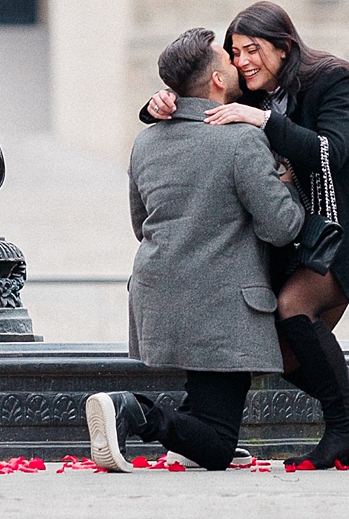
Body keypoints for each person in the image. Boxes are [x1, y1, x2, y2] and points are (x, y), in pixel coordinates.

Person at [143, 0, 349, 469]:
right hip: (318, 232)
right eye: (235, 52)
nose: (242, 62)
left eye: (252, 49)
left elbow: (330, 152)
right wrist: (160, 102)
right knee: (284, 349)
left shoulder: (332, 79)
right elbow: (205, 95)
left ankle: (347, 432)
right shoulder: (257, 95)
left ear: (284, 46)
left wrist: (264, 122)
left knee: (292, 307)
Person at [86, 27, 304, 473]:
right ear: (218, 81)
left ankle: (181, 432)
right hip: (223, 307)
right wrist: (286, 179)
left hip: (159, 295)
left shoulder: (146, 140)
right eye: (229, 58)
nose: (238, 62)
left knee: (207, 424)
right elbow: (282, 227)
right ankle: (134, 411)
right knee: (219, 445)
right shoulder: (240, 139)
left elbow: (139, 223)